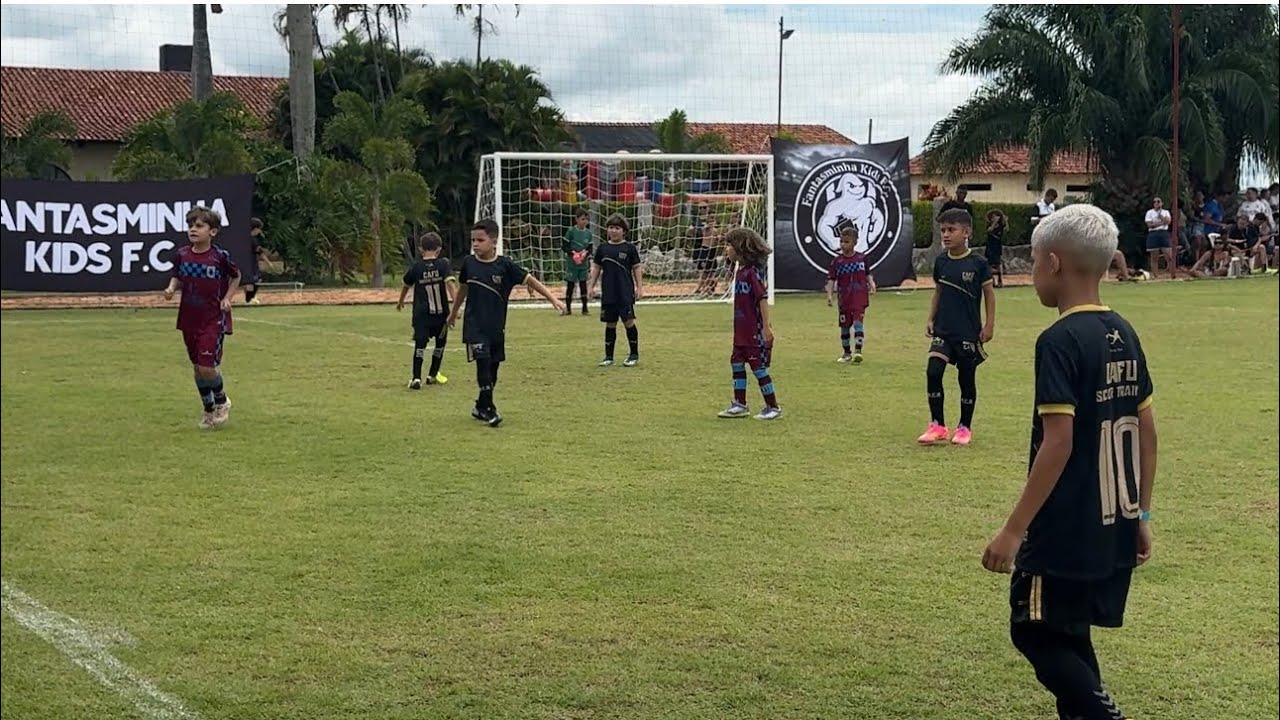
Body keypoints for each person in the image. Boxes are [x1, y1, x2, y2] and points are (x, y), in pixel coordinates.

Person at [982, 202, 1158, 720]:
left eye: (1033, 263)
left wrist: (1013, 531)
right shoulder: (1124, 330)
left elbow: (1058, 442)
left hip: (1065, 528)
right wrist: (1141, 516)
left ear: (1054, 263)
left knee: (1033, 628)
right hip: (1114, 521)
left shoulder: (1058, 340)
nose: (1032, 274)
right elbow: (1147, 431)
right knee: (1069, 630)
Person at [446, 219, 566, 427]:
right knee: (482, 364)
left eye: (480, 240)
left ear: (493, 241)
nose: (475, 244)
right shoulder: (469, 263)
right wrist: (453, 312)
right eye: (472, 240)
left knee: (493, 369)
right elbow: (463, 289)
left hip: (496, 327)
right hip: (474, 326)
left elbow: (530, 280)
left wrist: (552, 298)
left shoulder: (505, 266)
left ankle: (480, 406)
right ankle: (490, 410)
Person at [919, 208, 996, 446]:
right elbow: (938, 292)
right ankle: (937, 425)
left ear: (967, 232)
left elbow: (989, 295)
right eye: (943, 230)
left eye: (951, 229)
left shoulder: (978, 263)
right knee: (933, 372)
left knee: (966, 379)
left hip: (968, 332)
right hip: (943, 329)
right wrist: (931, 318)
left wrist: (989, 325)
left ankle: (964, 427)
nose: (946, 234)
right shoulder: (941, 262)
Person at [162, 206, 241, 430]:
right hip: (189, 317)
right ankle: (208, 408)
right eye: (190, 226)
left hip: (213, 318)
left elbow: (236, 277)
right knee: (197, 367)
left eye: (199, 226)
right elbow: (176, 275)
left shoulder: (219, 257)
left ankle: (222, 400)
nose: (193, 230)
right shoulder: (183, 254)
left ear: (212, 232)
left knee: (208, 367)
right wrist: (170, 289)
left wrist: (227, 298)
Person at [717, 227, 781, 420]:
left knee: (758, 368)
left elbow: (762, 298)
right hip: (741, 332)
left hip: (754, 331)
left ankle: (773, 407)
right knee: (736, 363)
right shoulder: (740, 272)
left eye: (729, 245)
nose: (726, 249)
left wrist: (766, 327)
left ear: (740, 247)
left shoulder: (752, 273)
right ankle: (740, 403)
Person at [397, 232, 456, 388]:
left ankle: (416, 378)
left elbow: (406, 285)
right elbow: (451, 286)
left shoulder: (416, 267)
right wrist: (456, 308)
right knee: (440, 344)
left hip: (421, 315)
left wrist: (401, 301)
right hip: (441, 315)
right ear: (439, 249)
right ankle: (432, 375)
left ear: (421, 249)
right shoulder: (443, 264)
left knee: (420, 345)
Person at [587, 213, 644, 367]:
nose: (613, 231)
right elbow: (597, 268)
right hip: (609, 293)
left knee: (628, 322)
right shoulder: (603, 249)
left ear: (624, 231)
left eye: (617, 228)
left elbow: (637, 267)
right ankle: (608, 357)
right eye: (611, 227)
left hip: (624, 292)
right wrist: (591, 286)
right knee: (610, 324)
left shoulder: (630, 248)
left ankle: (633, 354)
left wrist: (639, 287)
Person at [825, 226, 875, 363]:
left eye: (846, 242)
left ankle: (858, 351)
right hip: (844, 299)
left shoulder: (861, 258)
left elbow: (867, 274)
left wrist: (872, 284)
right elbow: (831, 279)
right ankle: (846, 353)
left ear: (855, 242)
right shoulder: (837, 262)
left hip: (859, 297)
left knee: (858, 323)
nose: (842, 244)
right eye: (841, 241)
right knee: (845, 327)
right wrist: (830, 295)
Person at [562, 208, 593, 316]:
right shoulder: (571, 231)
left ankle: (585, 308)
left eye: (587, 219)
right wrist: (573, 253)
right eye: (583, 219)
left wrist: (585, 253)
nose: (585, 221)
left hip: (583, 264)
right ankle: (568, 308)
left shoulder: (588, 233)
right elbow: (564, 246)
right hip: (572, 264)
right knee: (570, 285)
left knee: (583, 285)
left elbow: (590, 248)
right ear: (576, 219)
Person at [1143, 197, 1174, 279]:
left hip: (1163, 233)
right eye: (1154, 202)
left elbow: (1168, 222)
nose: (1156, 203)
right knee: (1154, 257)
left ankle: (1172, 275)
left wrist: (1161, 218)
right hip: (1153, 234)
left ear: (1162, 203)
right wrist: (1162, 223)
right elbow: (1150, 225)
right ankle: (1155, 276)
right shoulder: (1149, 212)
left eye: (1158, 201)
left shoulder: (1166, 212)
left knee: (1169, 255)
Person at [243, 217, 265, 305]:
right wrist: (269, 263)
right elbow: (260, 252)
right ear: (255, 229)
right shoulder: (253, 240)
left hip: (246, 262)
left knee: (249, 281)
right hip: (251, 263)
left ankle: (249, 298)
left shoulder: (244, 238)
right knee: (255, 280)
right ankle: (249, 299)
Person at [985, 209, 1007, 287]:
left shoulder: (1001, 226)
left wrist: (1004, 220)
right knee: (989, 263)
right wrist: (994, 223)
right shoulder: (989, 225)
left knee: (998, 263)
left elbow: (1006, 229)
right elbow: (989, 230)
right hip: (990, 245)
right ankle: (992, 280)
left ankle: (1000, 280)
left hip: (997, 246)